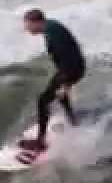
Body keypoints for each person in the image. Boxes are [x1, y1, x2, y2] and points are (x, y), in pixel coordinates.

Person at [19, 9, 86, 156]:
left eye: (27, 25)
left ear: (36, 22)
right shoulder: (50, 26)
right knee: (59, 94)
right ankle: (73, 121)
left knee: (42, 101)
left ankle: (40, 142)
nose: (26, 29)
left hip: (72, 69)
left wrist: (66, 85)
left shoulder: (52, 34)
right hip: (72, 67)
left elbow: (69, 59)